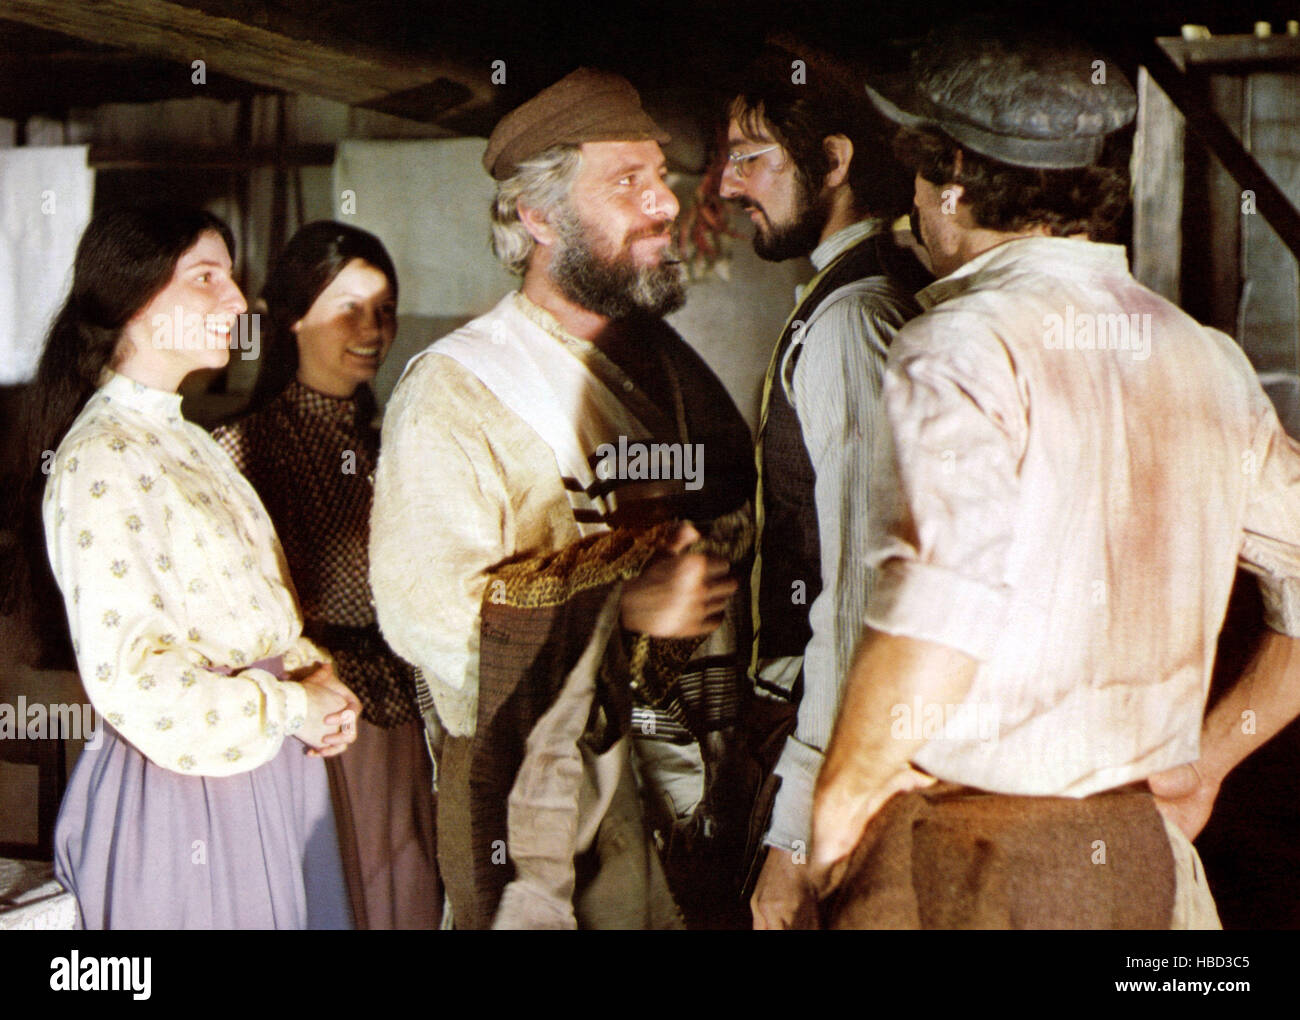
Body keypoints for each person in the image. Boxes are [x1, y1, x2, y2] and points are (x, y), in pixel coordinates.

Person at [808, 21, 1300, 929]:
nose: (913, 205)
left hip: (975, 859)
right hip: (1145, 858)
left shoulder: (958, 345)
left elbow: (941, 608)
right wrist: (1208, 760)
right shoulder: (1206, 357)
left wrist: (832, 819)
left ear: (952, 185)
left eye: (918, 178)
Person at [370, 68, 755, 929]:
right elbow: (428, 614)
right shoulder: (457, 391)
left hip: (683, 783)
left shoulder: (658, 363)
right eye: (629, 182)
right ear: (537, 217)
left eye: (661, 178)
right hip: (544, 799)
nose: (663, 205)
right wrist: (620, 605)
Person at [18, 203, 359, 929]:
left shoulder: (192, 442)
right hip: (182, 791)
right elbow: (138, 680)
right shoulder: (101, 456)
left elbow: (253, 615)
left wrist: (313, 675)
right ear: (133, 298)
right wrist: (294, 706)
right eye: (207, 278)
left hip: (266, 771)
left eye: (231, 280)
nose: (236, 302)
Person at [717, 41, 927, 929]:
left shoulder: (852, 320)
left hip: (843, 752)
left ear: (833, 161)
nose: (729, 187)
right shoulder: (852, 297)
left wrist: (796, 833)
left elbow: (862, 591)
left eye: (751, 158)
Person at [212, 221, 441, 929]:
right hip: (314, 733)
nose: (371, 329)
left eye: (383, 309)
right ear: (292, 318)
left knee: (409, 899)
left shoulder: (398, 442)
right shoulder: (242, 450)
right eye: (348, 307)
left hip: (409, 726)